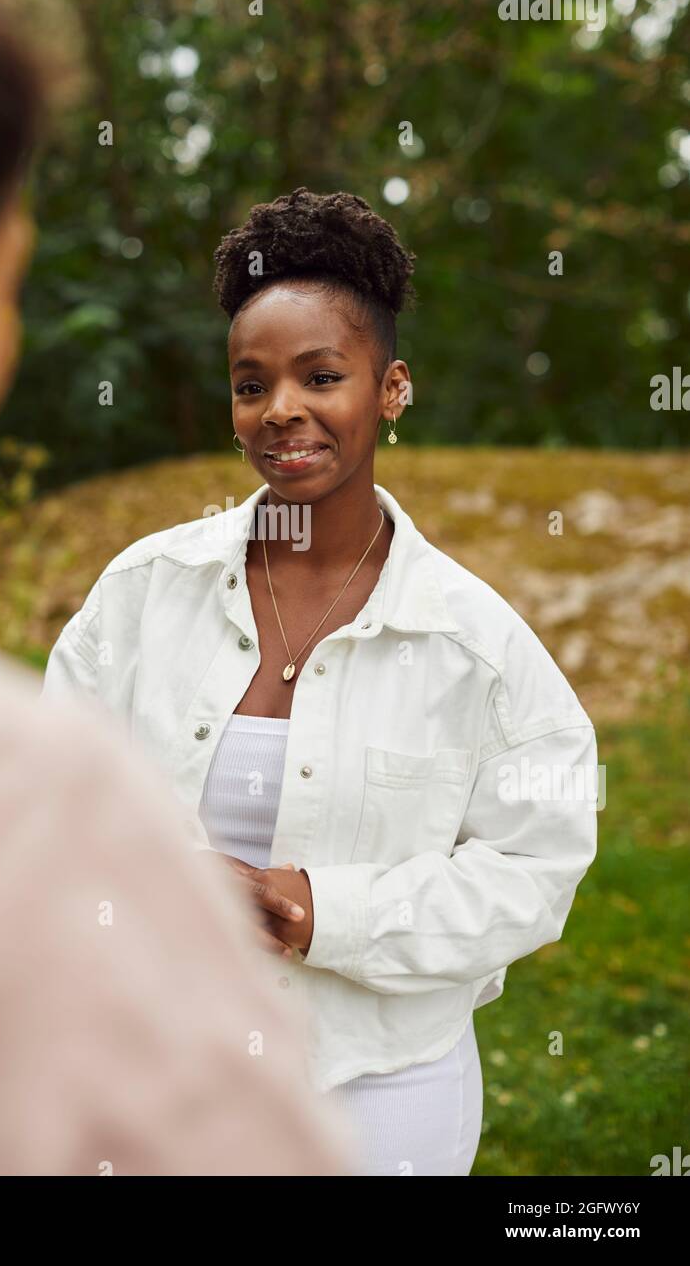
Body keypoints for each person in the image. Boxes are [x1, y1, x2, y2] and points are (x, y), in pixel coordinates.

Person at [0, 0, 352, 1176]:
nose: (282, 411)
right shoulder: (2, 805)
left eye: (318, 376)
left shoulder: (466, 622)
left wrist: (348, 909)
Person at [44, 185, 600, 1176]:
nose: (281, 409)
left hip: (381, 1091)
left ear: (389, 387)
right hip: (162, 1072)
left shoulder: (470, 645)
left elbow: (535, 867)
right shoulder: (141, 595)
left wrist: (323, 912)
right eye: (251, 384)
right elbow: (53, 792)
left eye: (321, 375)